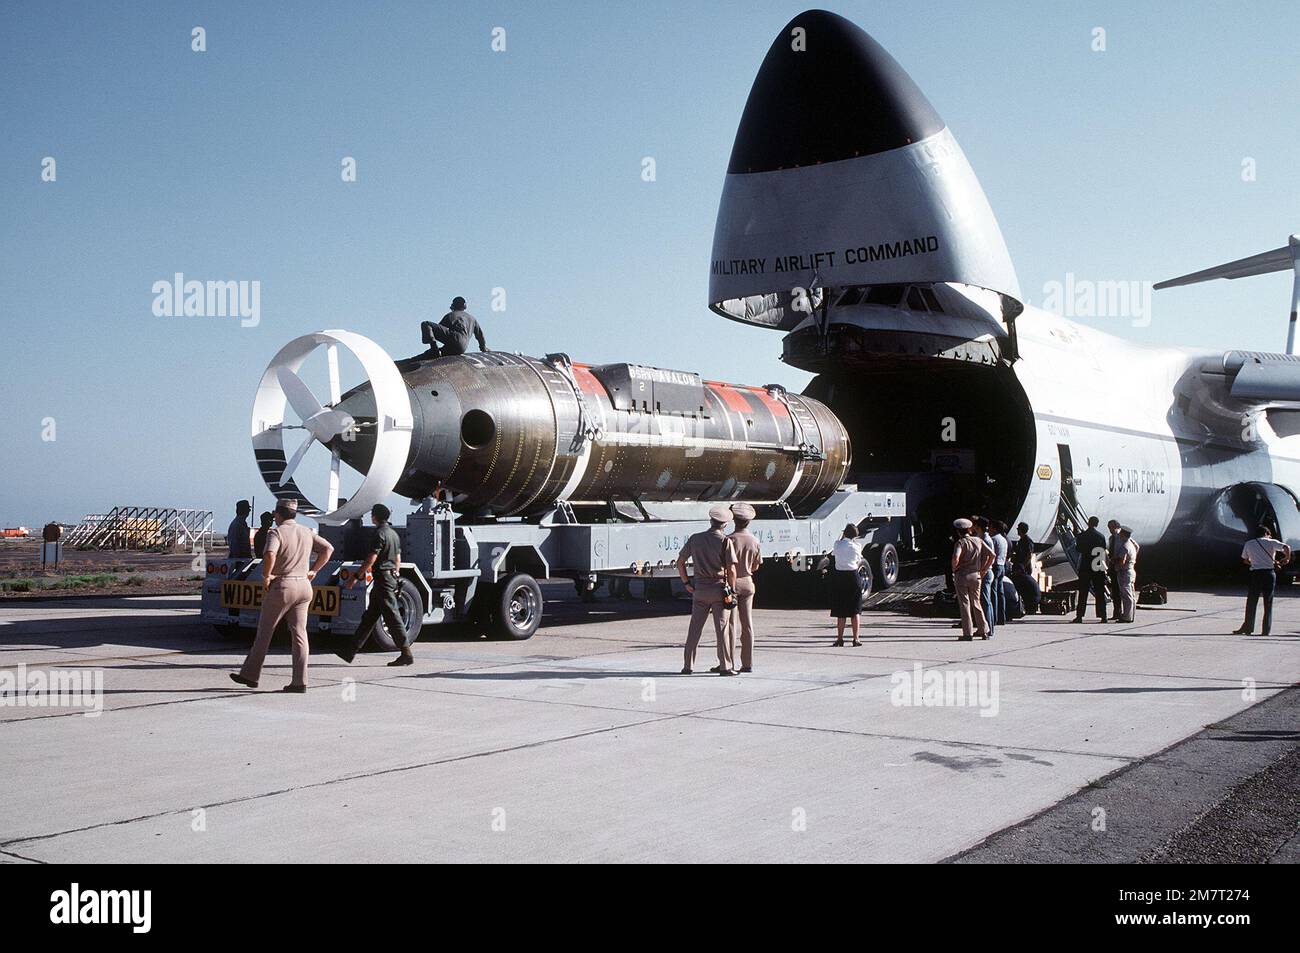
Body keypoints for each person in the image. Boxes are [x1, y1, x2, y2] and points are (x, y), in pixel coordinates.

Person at [230, 499, 334, 692]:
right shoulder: (307, 532)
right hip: (304, 586)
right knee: (300, 634)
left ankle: (250, 675)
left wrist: (266, 576)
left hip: (283, 586)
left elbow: (270, 554)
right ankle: (299, 681)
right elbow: (328, 549)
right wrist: (314, 570)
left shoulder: (276, 532)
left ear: (278, 514)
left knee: (264, 632)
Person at [336, 503, 412, 667]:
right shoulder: (393, 534)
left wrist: (356, 576)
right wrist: (395, 573)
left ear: (375, 517)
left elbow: (371, 558)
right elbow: (398, 558)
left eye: (372, 514)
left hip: (383, 579)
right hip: (388, 577)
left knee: (392, 616)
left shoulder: (379, 533)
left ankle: (406, 653)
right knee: (370, 617)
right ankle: (350, 651)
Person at [677, 505, 736, 675]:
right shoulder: (725, 541)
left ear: (711, 521)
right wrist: (731, 591)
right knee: (722, 629)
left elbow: (679, 562)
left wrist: (686, 583)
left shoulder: (695, 539)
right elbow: (731, 570)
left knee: (694, 629)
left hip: (700, 589)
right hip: (719, 589)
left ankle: (688, 666)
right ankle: (725, 667)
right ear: (725, 525)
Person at [725, 502, 763, 673]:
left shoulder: (729, 540)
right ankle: (748, 663)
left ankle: (729, 662)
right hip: (748, 582)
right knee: (747, 624)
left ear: (734, 520)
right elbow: (756, 566)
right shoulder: (754, 540)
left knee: (730, 625)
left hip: (732, 583)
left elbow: (725, 565)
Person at [1234, 525, 1291, 636]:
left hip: (1256, 574)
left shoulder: (1249, 543)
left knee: (1251, 602)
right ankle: (1265, 631)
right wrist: (1286, 558)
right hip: (1269, 574)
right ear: (1266, 533)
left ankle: (1248, 628)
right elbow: (1287, 547)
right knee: (1268, 602)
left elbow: (1245, 560)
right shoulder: (1271, 542)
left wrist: (1254, 563)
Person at [823, 523, 866, 646]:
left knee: (840, 611)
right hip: (853, 576)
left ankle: (840, 639)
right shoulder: (857, 546)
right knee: (855, 610)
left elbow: (834, 554)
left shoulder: (837, 544)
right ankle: (856, 639)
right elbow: (858, 559)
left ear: (844, 533)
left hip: (840, 577)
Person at [951, 518, 992, 640]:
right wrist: (984, 569)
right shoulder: (978, 540)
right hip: (976, 575)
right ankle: (983, 631)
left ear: (958, 531)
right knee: (976, 602)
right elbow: (992, 555)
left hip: (962, 576)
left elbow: (956, 558)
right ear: (969, 529)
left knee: (965, 604)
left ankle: (967, 633)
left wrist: (954, 569)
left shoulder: (960, 543)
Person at [421, 296, 487, 358]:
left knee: (426, 324)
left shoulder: (450, 315)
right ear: (465, 306)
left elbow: (436, 331)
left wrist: (433, 343)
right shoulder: (473, 319)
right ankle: (434, 351)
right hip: (462, 348)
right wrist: (483, 348)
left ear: (453, 306)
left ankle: (434, 349)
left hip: (454, 340)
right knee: (433, 354)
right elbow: (480, 336)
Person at [1073, 516, 1109, 623]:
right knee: (1100, 592)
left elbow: (1078, 549)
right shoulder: (1101, 536)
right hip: (1097, 565)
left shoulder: (1082, 536)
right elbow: (1102, 551)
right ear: (1097, 524)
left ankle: (1079, 616)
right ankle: (1103, 616)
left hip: (1085, 566)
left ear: (1088, 523)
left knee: (1083, 592)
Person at [974, 517, 998, 639]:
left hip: (986, 572)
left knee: (985, 602)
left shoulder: (985, 539)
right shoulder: (983, 538)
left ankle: (988, 630)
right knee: (984, 602)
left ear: (978, 527)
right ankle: (983, 628)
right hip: (986, 572)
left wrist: (983, 570)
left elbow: (991, 556)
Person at [1010, 522, 1041, 614]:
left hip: (1024, 569)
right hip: (1020, 567)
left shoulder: (1027, 541)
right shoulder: (1022, 540)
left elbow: (1029, 555)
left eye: (1018, 529)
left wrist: (1022, 566)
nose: (1017, 531)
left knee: (1025, 587)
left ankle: (1029, 606)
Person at [1114, 527, 1139, 622]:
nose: (1119, 535)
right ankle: (1131, 615)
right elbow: (1137, 547)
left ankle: (1126, 617)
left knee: (1126, 595)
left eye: (1120, 534)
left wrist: (1114, 560)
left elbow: (1122, 561)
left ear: (1123, 535)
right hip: (1131, 570)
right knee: (1131, 595)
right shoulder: (1132, 544)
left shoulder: (1125, 546)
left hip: (1124, 572)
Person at [989, 518, 1009, 626]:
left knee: (993, 592)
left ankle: (994, 618)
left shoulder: (993, 539)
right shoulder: (1003, 540)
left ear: (995, 528)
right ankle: (1002, 617)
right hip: (1002, 566)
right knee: (1000, 592)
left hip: (995, 566)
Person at [1105, 519, 1124, 621]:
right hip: (1113, 567)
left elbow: (1134, 547)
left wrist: (1128, 560)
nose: (1110, 530)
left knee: (1122, 591)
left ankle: (1123, 613)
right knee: (1115, 591)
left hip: (1120, 568)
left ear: (1117, 527)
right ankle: (1117, 612)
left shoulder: (1122, 538)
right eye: (1109, 528)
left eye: (1111, 527)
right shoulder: (1111, 538)